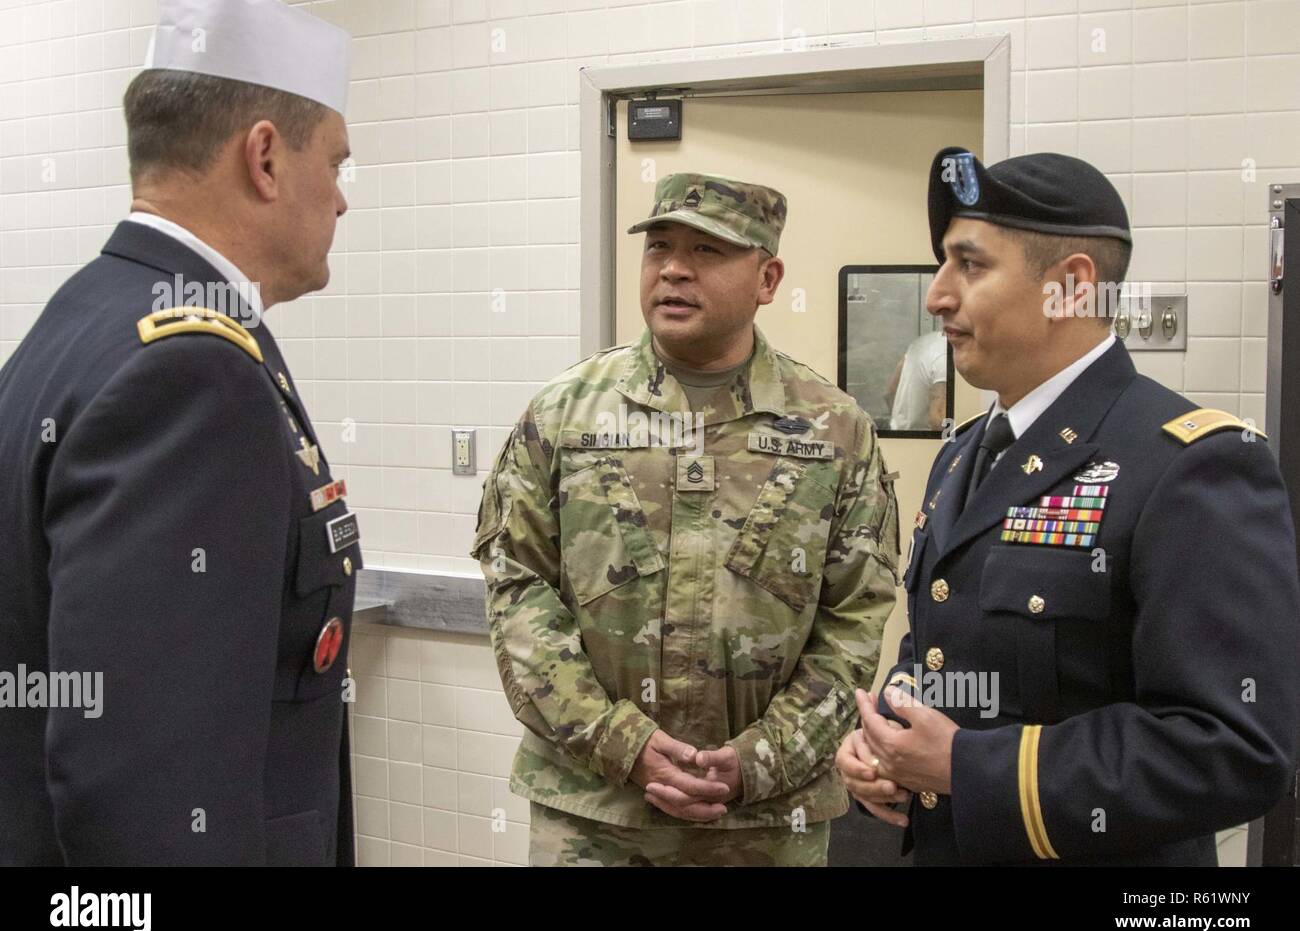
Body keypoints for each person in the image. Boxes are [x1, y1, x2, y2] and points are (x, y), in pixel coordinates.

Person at [836, 147, 1300, 865]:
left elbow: (1236, 750)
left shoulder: (1190, 463)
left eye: (970, 265)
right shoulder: (964, 454)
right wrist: (890, 736)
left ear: (1071, 287)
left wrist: (965, 766)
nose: (936, 296)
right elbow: (944, 644)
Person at [0, 0, 359, 865]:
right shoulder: (192, 374)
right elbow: (150, 786)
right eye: (337, 163)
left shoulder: (85, 316)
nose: (343, 200)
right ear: (265, 157)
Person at [472, 173, 900, 866]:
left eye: (707, 251)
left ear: (768, 278)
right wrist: (619, 741)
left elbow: (856, 617)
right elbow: (518, 591)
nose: (673, 268)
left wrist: (763, 759)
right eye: (660, 247)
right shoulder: (564, 414)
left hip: (765, 823)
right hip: (593, 815)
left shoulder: (834, 429)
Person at [885, 328, 947, 430]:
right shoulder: (946, 356)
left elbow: (891, 391)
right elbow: (939, 419)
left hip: (899, 436)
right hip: (926, 441)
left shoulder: (923, 342)